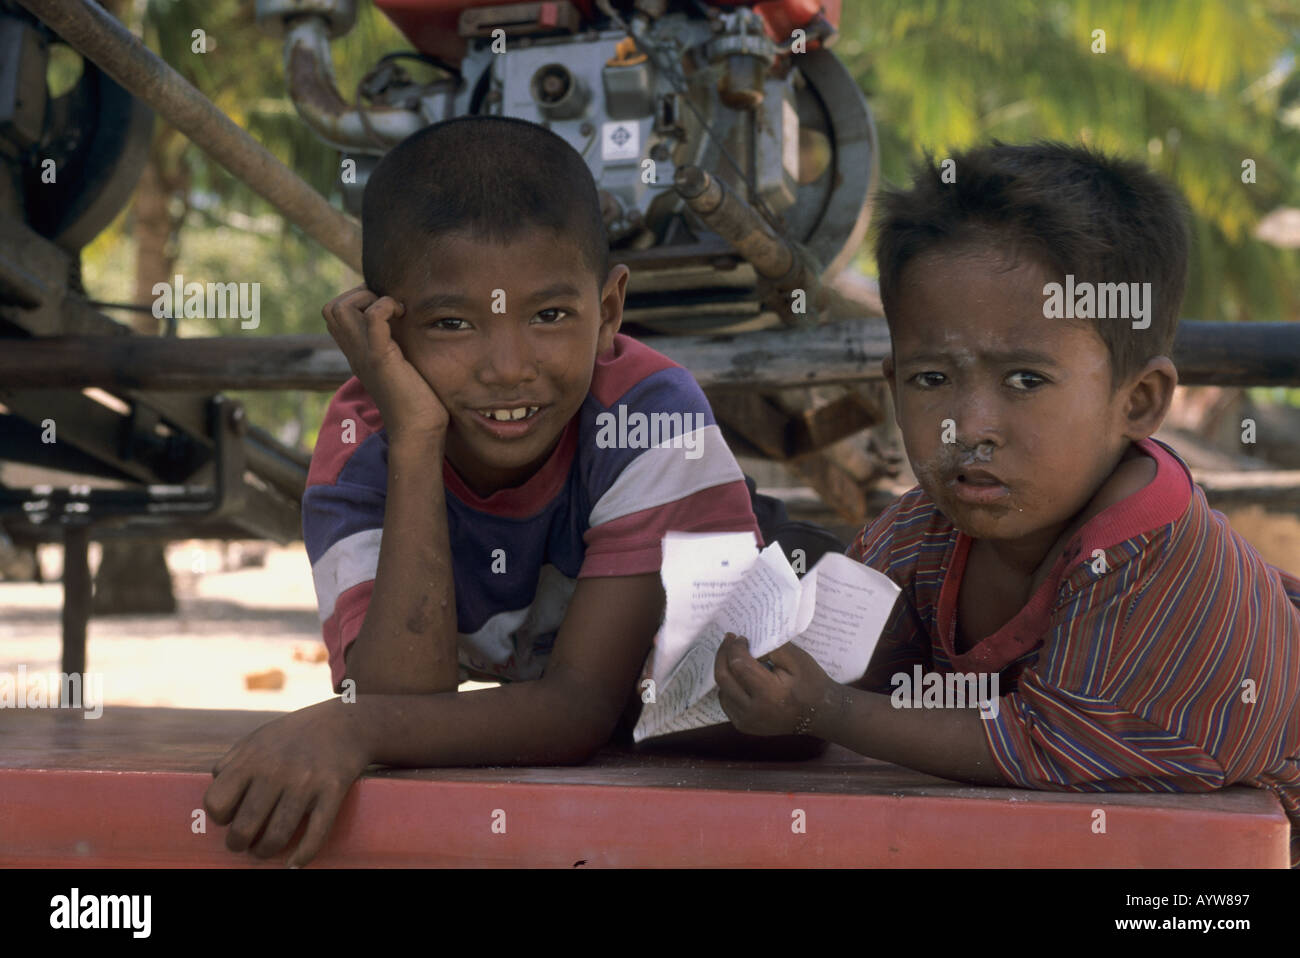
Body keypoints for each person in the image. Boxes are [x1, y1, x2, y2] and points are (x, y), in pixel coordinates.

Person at [204, 115, 815, 867]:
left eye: (551, 315)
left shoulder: (649, 416)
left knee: (829, 683)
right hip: (604, 700)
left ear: (610, 312)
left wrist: (351, 728)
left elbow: (578, 710)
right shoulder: (365, 447)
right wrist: (418, 441)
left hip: (772, 594)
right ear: (384, 335)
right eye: (454, 323)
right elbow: (407, 696)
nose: (507, 367)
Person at [713, 141, 1300, 867]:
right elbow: (843, 647)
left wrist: (827, 711)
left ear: (1138, 401)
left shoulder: (1153, 562)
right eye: (932, 379)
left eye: (1025, 380)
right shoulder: (924, 532)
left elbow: (1047, 747)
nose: (969, 426)